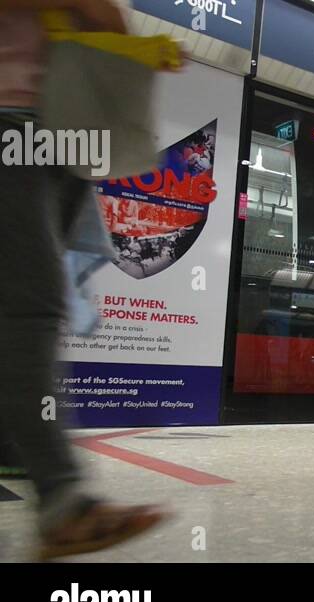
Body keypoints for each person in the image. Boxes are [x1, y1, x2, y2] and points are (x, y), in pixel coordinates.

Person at [0, 0, 166, 559]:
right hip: (14, 125)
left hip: (55, 135)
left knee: (24, 310)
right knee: (30, 311)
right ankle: (63, 500)